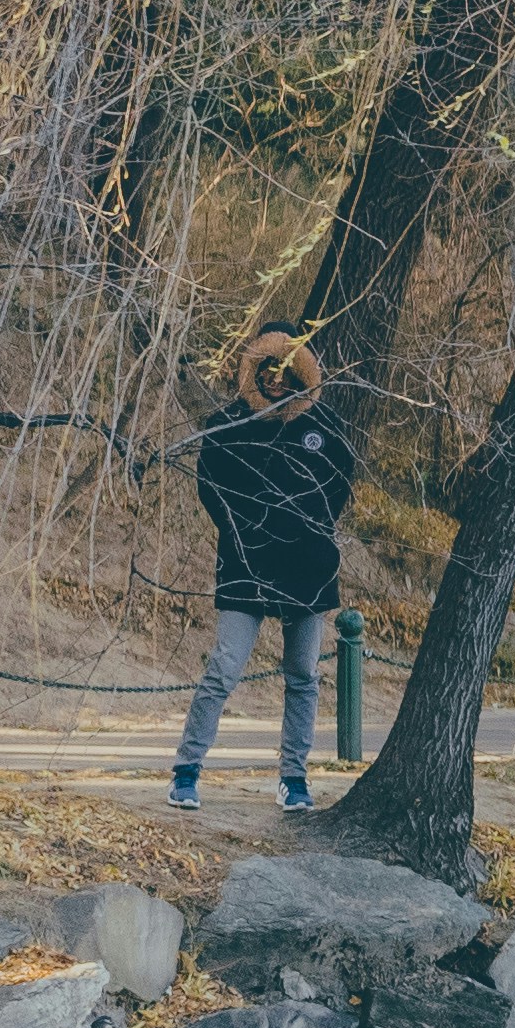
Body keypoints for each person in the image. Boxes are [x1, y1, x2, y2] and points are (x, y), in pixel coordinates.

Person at [184, 330, 358, 811]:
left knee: (302, 674)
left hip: (308, 568)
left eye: (286, 373)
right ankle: (186, 769)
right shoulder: (229, 424)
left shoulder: (324, 425)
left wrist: (308, 530)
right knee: (224, 667)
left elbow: (339, 486)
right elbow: (210, 487)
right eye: (269, 371)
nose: (276, 381)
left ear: (300, 375)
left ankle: (293, 779)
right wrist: (245, 532)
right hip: (245, 563)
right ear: (256, 371)